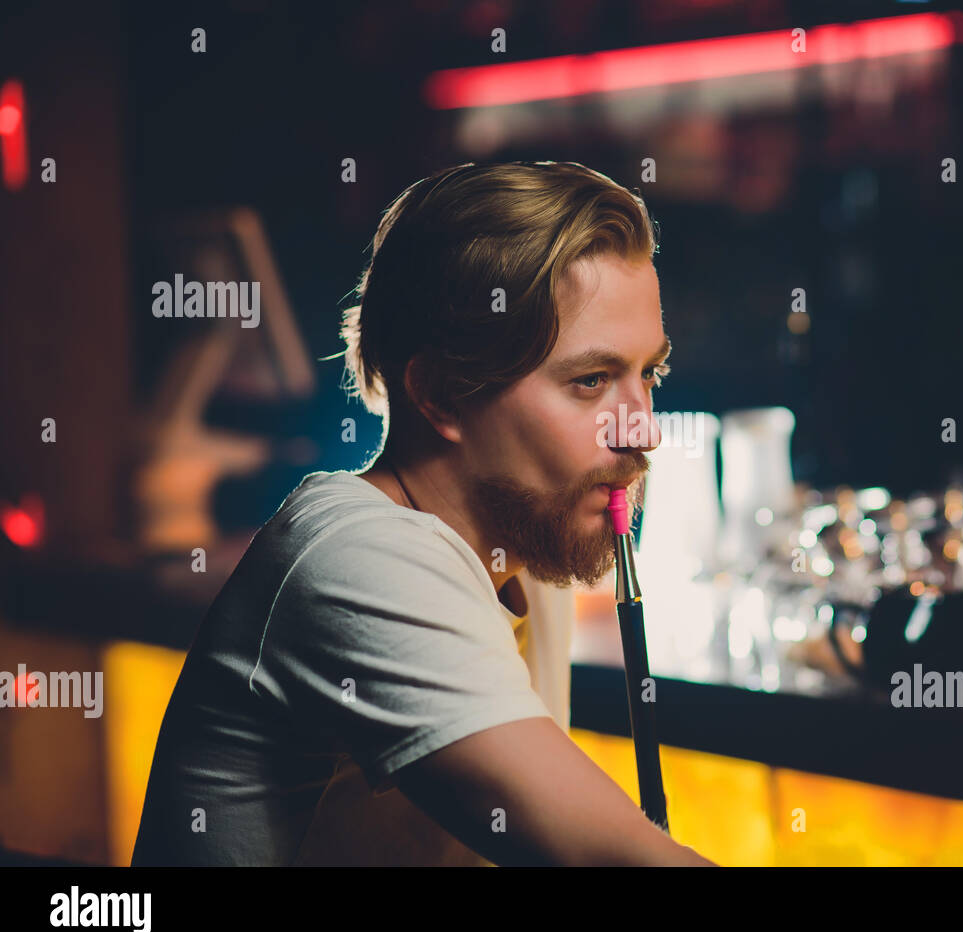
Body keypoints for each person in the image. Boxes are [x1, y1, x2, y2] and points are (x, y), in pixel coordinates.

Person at [132, 160, 716, 866]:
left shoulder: (525, 556)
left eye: (648, 373)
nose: (643, 429)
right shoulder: (354, 556)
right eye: (590, 382)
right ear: (440, 394)